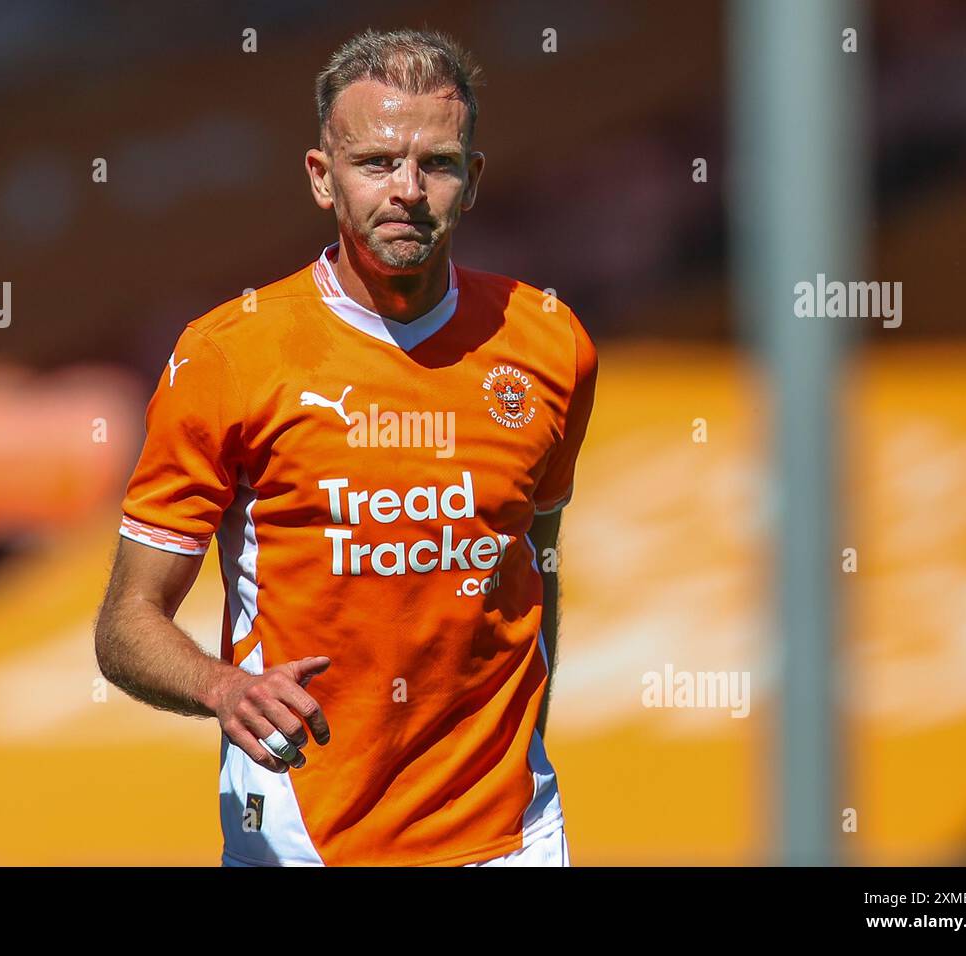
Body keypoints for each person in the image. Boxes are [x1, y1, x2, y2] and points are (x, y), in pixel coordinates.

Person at [95, 27, 597, 867]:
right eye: (375, 164)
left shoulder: (548, 343)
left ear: (471, 182)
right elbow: (124, 625)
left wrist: (519, 741)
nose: (407, 190)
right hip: (303, 833)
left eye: (436, 164)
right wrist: (224, 689)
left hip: (511, 834)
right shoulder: (229, 356)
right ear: (322, 180)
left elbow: (535, 572)